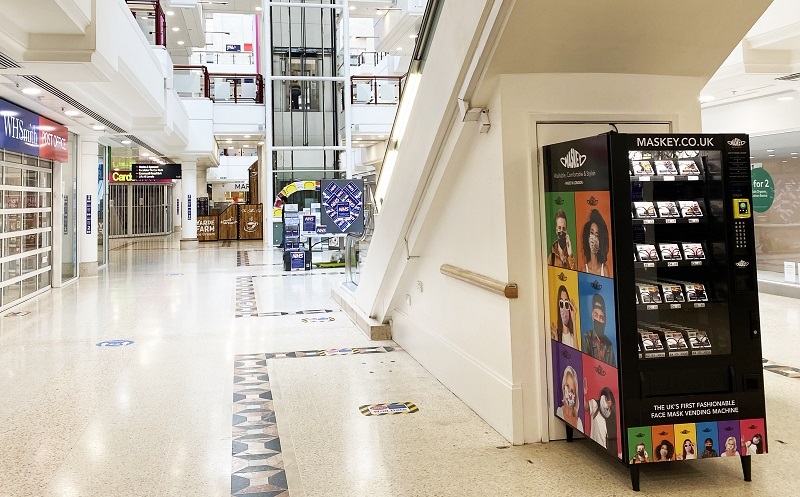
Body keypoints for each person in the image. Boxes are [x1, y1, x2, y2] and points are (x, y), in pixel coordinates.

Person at [582, 294, 616, 367]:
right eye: (596, 315)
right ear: (592, 316)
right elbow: (585, 365)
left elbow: (613, 370)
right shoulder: (587, 337)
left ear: (605, 321)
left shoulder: (609, 344)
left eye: (601, 317)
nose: (598, 320)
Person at [584, 383, 615, 449]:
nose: (608, 405)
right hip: (594, 443)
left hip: (605, 446)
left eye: (610, 403)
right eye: (607, 402)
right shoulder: (594, 404)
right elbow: (584, 407)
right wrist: (584, 394)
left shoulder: (611, 412)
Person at [581, 209, 610, 276]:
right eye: (591, 233)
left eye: (597, 235)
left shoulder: (604, 269)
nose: (593, 238)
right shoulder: (584, 270)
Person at [555, 365, 583, 432]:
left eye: (572, 390)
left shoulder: (579, 422)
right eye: (567, 386)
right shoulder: (559, 412)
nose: (569, 392)